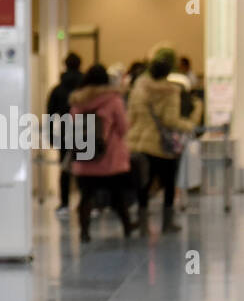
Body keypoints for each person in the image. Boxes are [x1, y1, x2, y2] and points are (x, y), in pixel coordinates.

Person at [126, 48, 202, 235]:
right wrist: (191, 124)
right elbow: (170, 120)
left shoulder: (138, 89)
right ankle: (167, 223)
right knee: (168, 182)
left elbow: (130, 116)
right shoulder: (170, 92)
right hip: (160, 145)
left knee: (144, 183)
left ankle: (142, 222)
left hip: (138, 143)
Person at [69, 64, 135, 242]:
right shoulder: (113, 100)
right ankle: (127, 227)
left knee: (86, 197)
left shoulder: (77, 101)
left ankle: (84, 232)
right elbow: (123, 128)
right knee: (117, 196)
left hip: (85, 157)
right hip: (110, 160)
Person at [47, 53, 84, 217]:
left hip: (64, 132)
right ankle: (86, 201)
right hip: (84, 130)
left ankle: (64, 203)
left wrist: (50, 134)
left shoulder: (57, 89)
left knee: (65, 168)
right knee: (85, 168)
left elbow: (50, 114)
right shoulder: (85, 87)